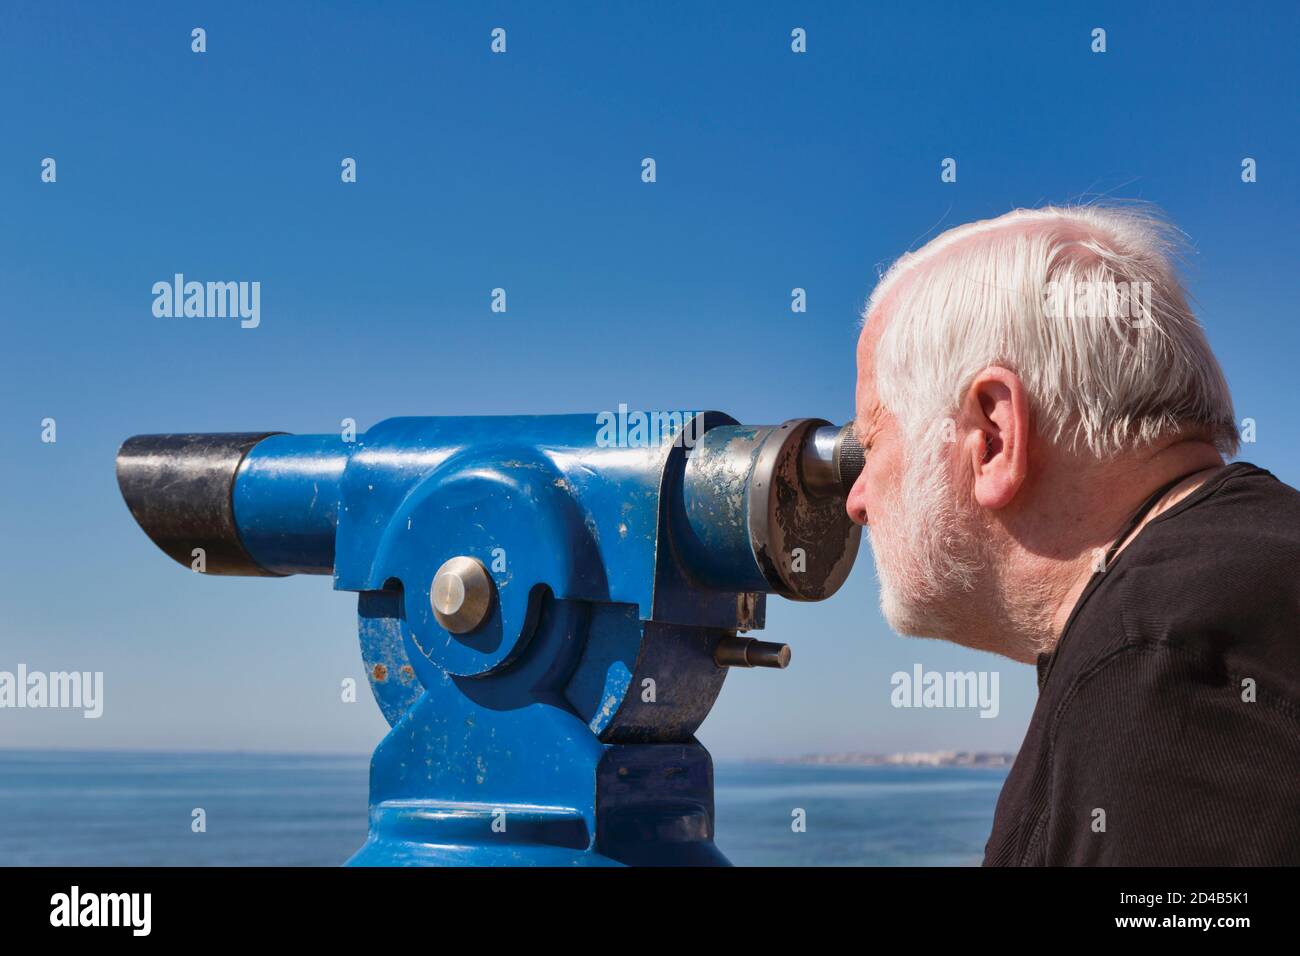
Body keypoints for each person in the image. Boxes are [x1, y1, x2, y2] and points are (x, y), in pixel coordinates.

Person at [845, 205, 1300, 865]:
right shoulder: (1252, 574)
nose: (857, 500)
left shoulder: (1162, 679)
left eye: (871, 441)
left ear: (992, 436)